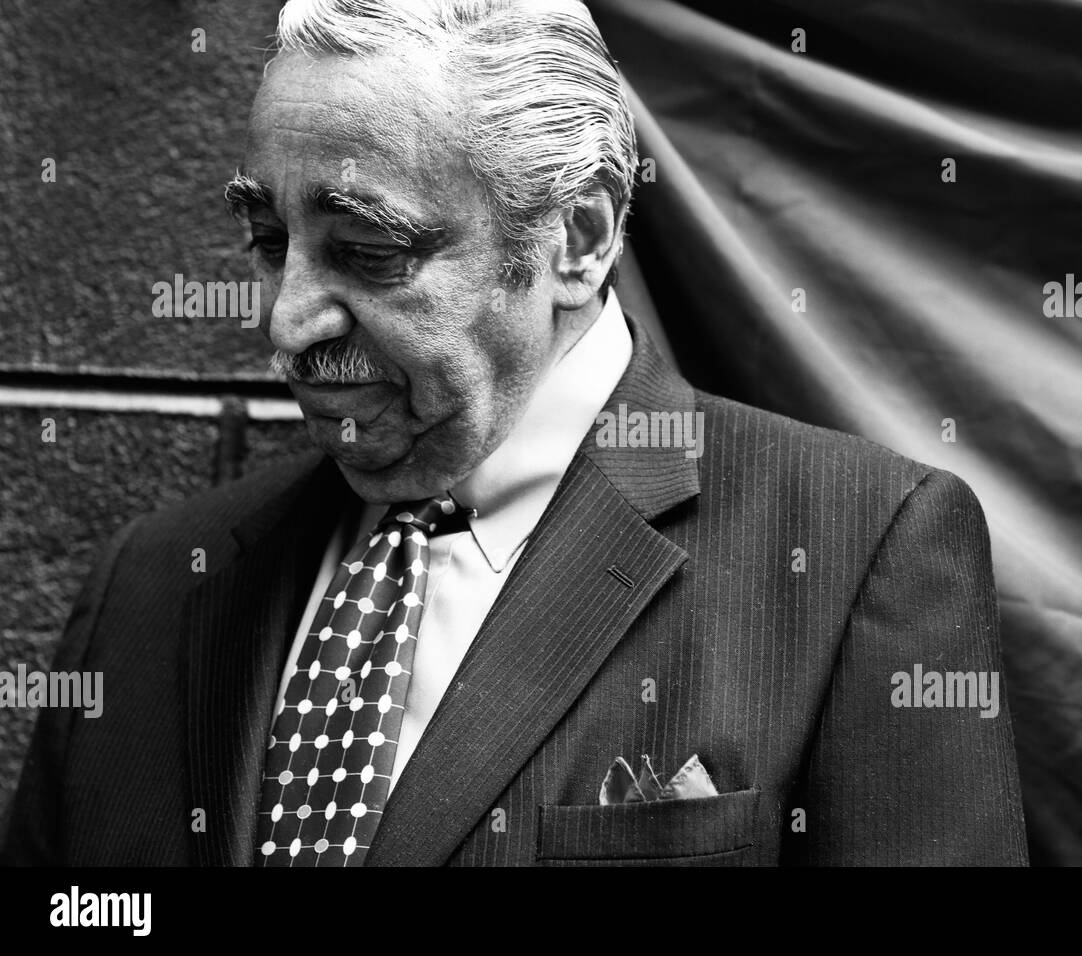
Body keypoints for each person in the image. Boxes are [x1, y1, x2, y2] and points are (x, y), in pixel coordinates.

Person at [1, 0, 1028, 866]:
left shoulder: (860, 551)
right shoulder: (150, 585)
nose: (286, 321)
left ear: (577, 237)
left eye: (367, 249)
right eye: (272, 242)